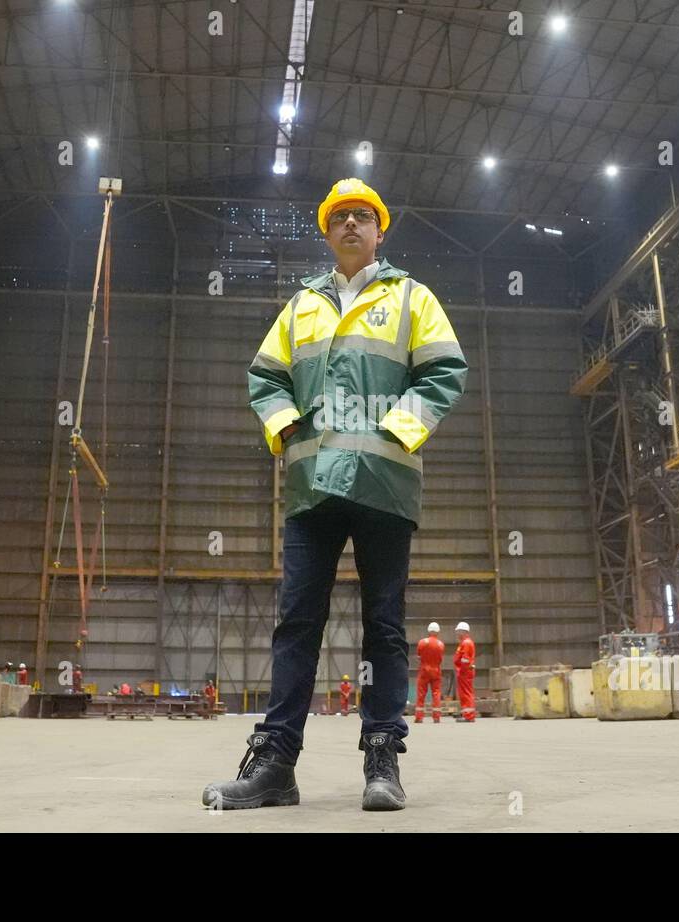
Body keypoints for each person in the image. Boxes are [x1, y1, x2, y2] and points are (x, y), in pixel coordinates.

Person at [202, 178, 467, 812]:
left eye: (363, 216)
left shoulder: (411, 298)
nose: (351, 225)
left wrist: (398, 428)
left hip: (383, 482)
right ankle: (275, 765)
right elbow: (266, 375)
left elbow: (445, 369)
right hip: (312, 485)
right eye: (340, 217)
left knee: (384, 624)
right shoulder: (301, 305)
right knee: (296, 623)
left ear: (380, 231)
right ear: (328, 233)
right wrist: (283, 423)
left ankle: (382, 756)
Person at [415, 622, 444, 724]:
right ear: (438, 632)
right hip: (436, 670)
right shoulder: (441, 644)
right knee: (436, 693)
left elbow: (419, 656)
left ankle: (419, 717)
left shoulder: (422, 642)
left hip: (424, 670)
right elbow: (440, 659)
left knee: (421, 693)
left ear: (428, 631)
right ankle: (436, 717)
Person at [454, 622, 476, 722]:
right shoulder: (464, 642)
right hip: (464, 671)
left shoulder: (466, 643)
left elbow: (465, 660)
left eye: (458, 631)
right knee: (464, 694)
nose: (457, 634)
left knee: (466, 694)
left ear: (464, 632)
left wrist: (462, 671)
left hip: (465, 672)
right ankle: (466, 713)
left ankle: (469, 715)